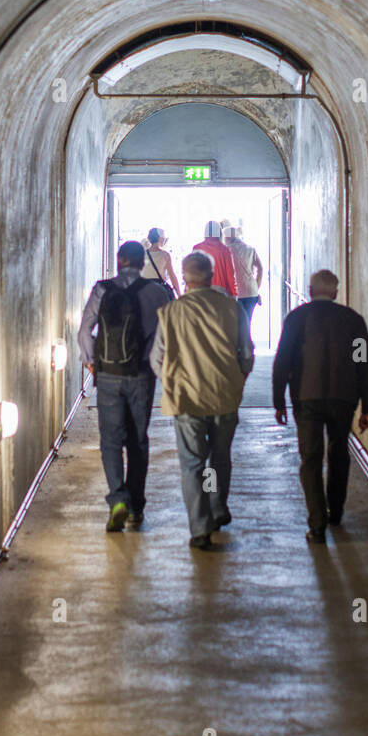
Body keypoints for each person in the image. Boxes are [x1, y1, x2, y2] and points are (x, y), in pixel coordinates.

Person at [150, 251, 254, 549]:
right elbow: (246, 353)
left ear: (185, 279)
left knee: (193, 463)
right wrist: (239, 378)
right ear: (211, 276)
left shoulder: (171, 312)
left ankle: (200, 526)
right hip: (224, 395)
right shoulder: (232, 309)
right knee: (219, 458)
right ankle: (218, 508)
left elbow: (157, 359)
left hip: (187, 398)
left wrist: (171, 381)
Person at [272, 269, 368, 544]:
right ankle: (336, 511)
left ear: (309, 290)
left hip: (307, 397)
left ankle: (317, 523)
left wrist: (278, 400)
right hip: (344, 398)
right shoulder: (353, 321)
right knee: (339, 451)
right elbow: (363, 363)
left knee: (311, 459)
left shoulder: (296, 318)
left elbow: (283, 359)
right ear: (336, 291)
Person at [78, 241, 170, 532]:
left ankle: (117, 499)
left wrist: (92, 362)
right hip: (142, 374)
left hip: (108, 375)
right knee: (137, 440)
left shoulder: (102, 289)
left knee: (110, 439)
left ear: (118, 261)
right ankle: (136, 508)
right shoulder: (156, 293)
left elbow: (84, 331)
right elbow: (167, 335)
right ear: (142, 263)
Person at [223, 225, 263, 330]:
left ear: (226, 238)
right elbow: (261, 268)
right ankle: (247, 345)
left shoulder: (226, 251)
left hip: (235, 293)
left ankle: (239, 346)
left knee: (234, 325)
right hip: (251, 292)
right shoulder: (250, 249)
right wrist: (256, 286)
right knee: (247, 323)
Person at [192, 219, 237, 296]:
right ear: (219, 233)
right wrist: (234, 294)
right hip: (220, 293)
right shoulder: (225, 250)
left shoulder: (197, 248)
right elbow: (230, 275)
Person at [140, 227, 180, 296]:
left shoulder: (142, 254)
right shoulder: (165, 255)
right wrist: (179, 294)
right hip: (159, 291)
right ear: (160, 238)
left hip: (144, 290)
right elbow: (172, 276)